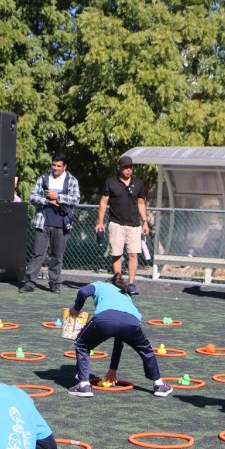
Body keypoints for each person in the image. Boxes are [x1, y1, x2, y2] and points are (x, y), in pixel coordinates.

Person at [66, 275, 172, 398]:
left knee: (81, 344)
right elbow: (119, 341)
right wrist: (113, 369)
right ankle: (159, 384)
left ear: (108, 282)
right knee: (146, 350)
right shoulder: (125, 294)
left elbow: (83, 291)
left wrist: (77, 308)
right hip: (132, 322)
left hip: (104, 319)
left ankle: (83, 385)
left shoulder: (100, 284)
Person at [22, 154, 80, 293]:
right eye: (53, 165)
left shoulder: (71, 180)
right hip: (43, 222)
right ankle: (30, 282)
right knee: (37, 254)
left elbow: (76, 199)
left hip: (62, 223)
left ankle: (54, 283)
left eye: (59, 166)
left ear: (64, 166)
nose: (55, 168)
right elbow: (32, 196)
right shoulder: (43, 178)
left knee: (57, 255)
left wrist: (57, 197)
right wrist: (47, 200)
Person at [95, 155, 149, 294]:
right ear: (119, 167)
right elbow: (103, 202)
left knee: (133, 254)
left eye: (130, 167)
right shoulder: (110, 182)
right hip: (116, 224)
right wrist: (100, 222)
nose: (128, 170)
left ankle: (131, 283)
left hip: (134, 225)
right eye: (125, 167)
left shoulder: (138, 183)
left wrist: (145, 222)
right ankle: (118, 282)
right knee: (116, 254)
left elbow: (141, 203)